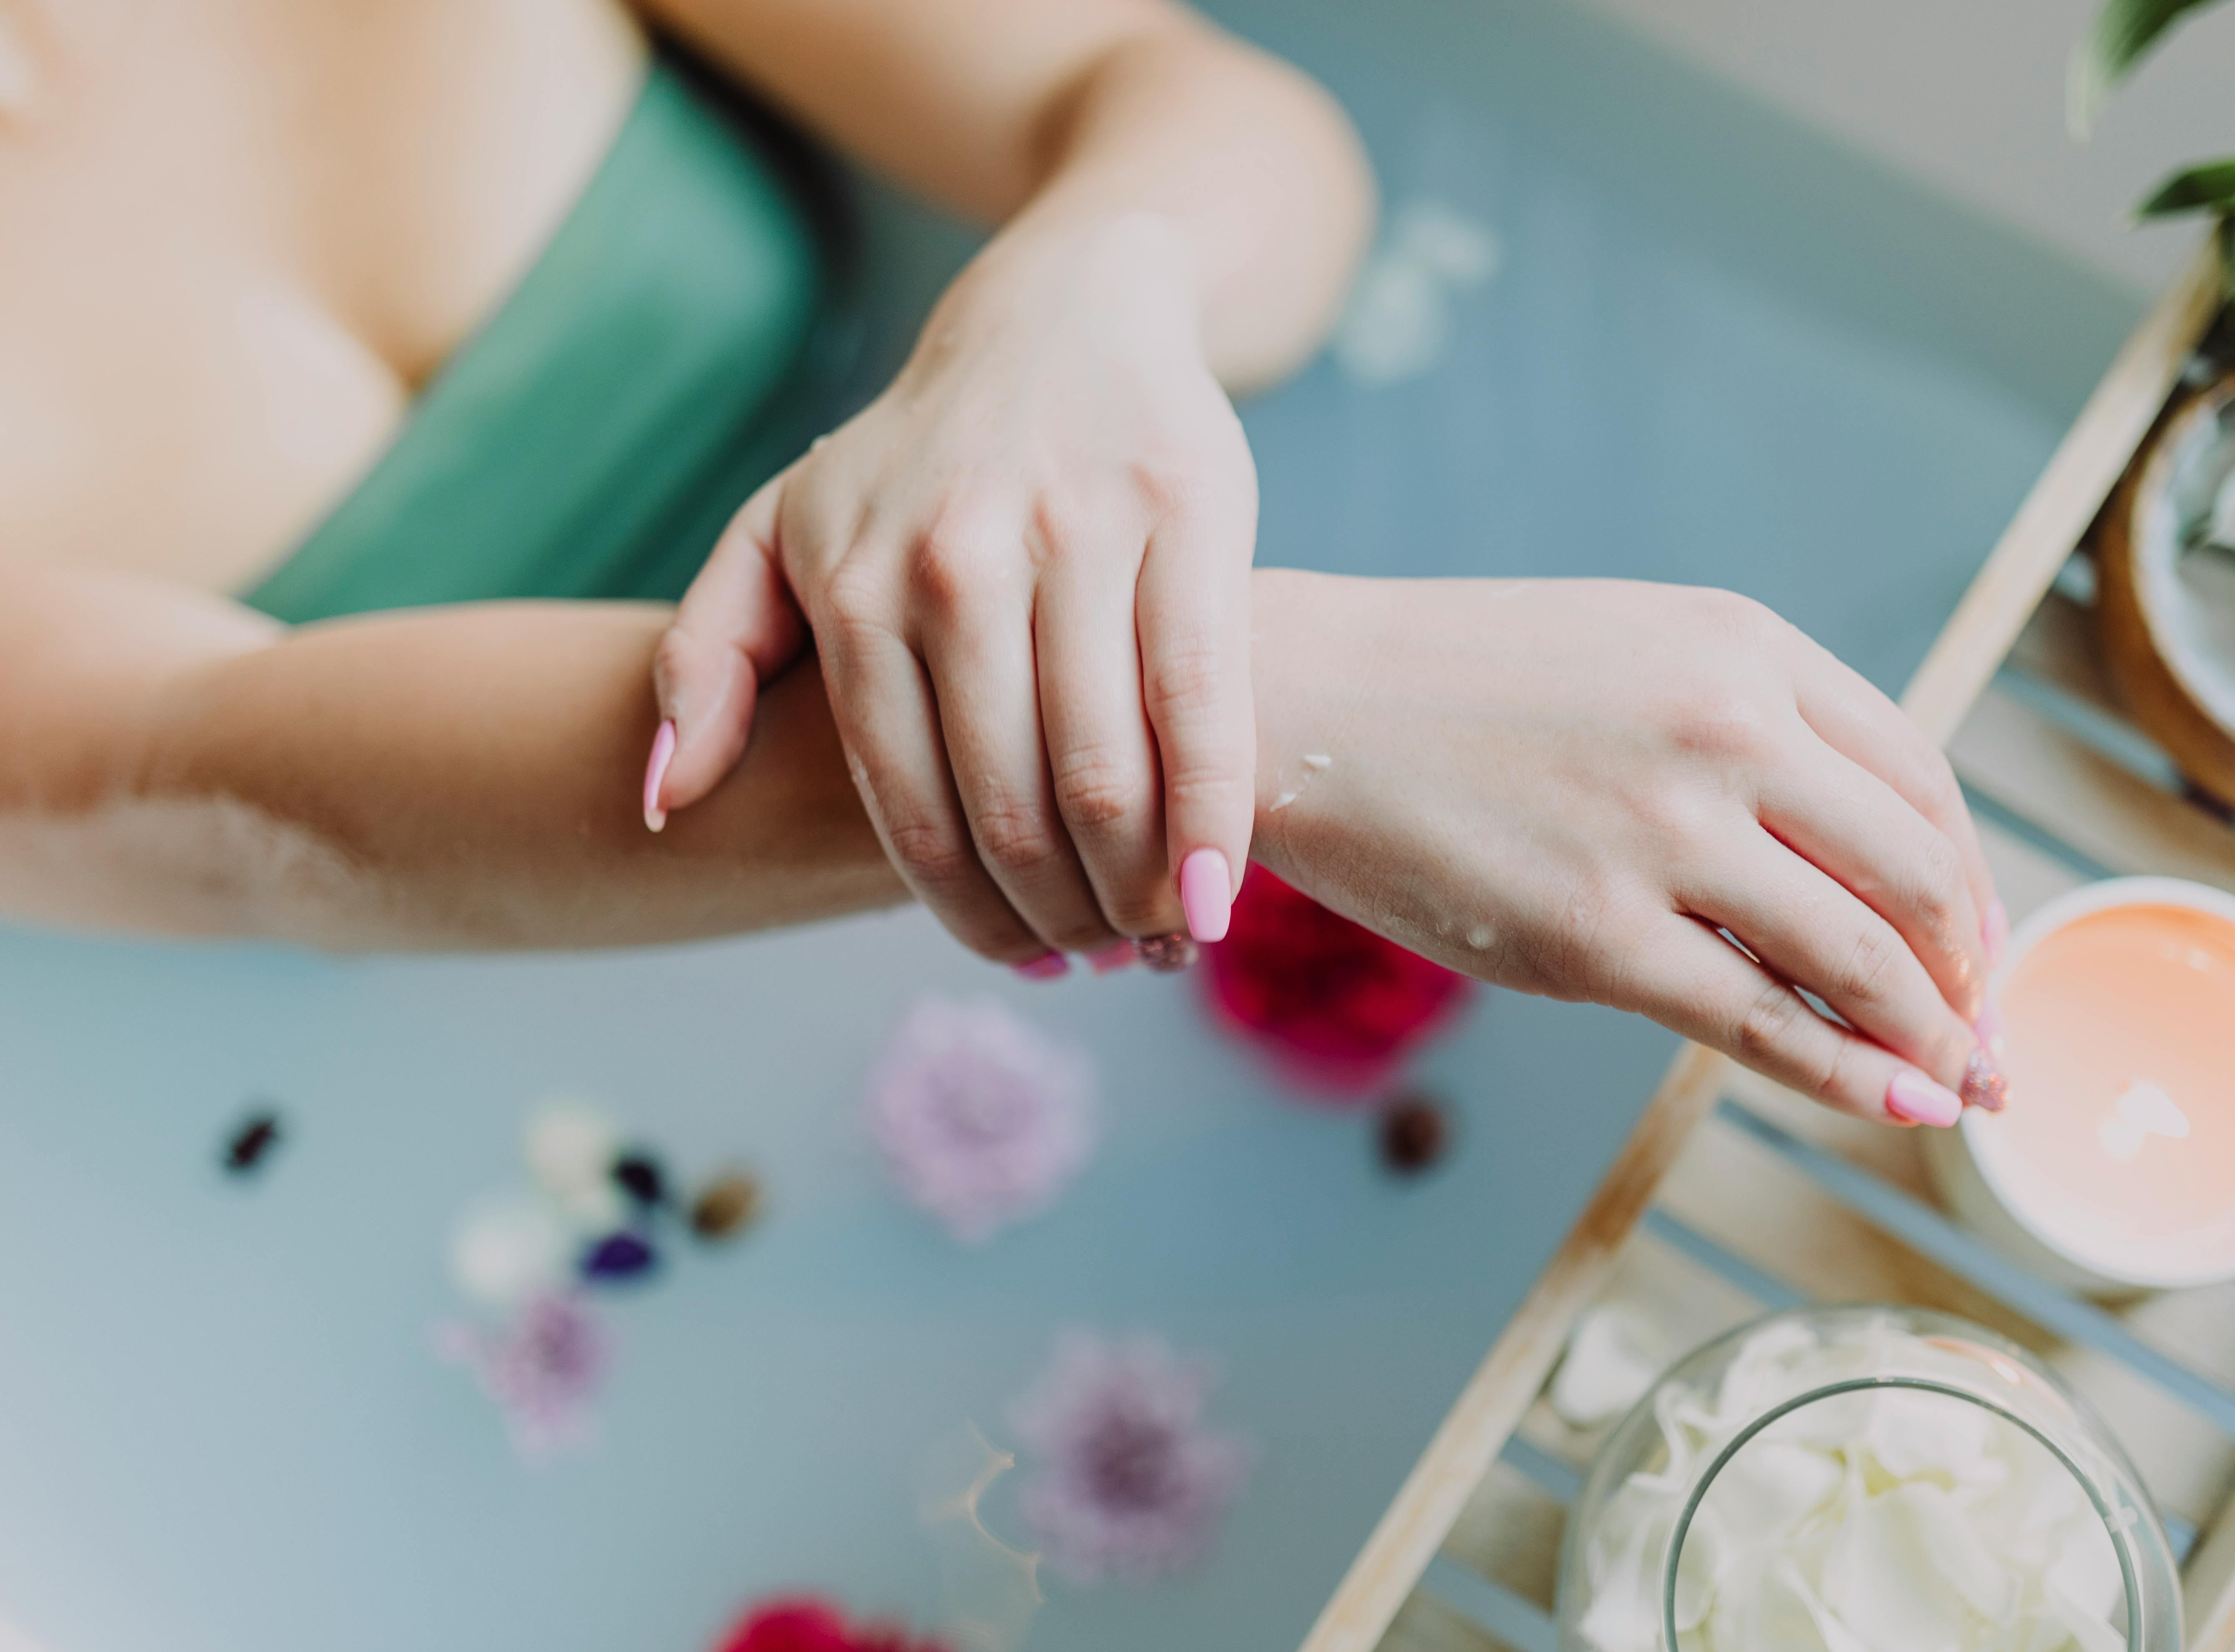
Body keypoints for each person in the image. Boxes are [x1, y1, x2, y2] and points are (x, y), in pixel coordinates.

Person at [0, 0, 2004, 1125]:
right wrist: (1266, 703)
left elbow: (1173, 105)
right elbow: (226, 803)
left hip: (1008, 664)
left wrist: (1071, 296)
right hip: (539, 954)